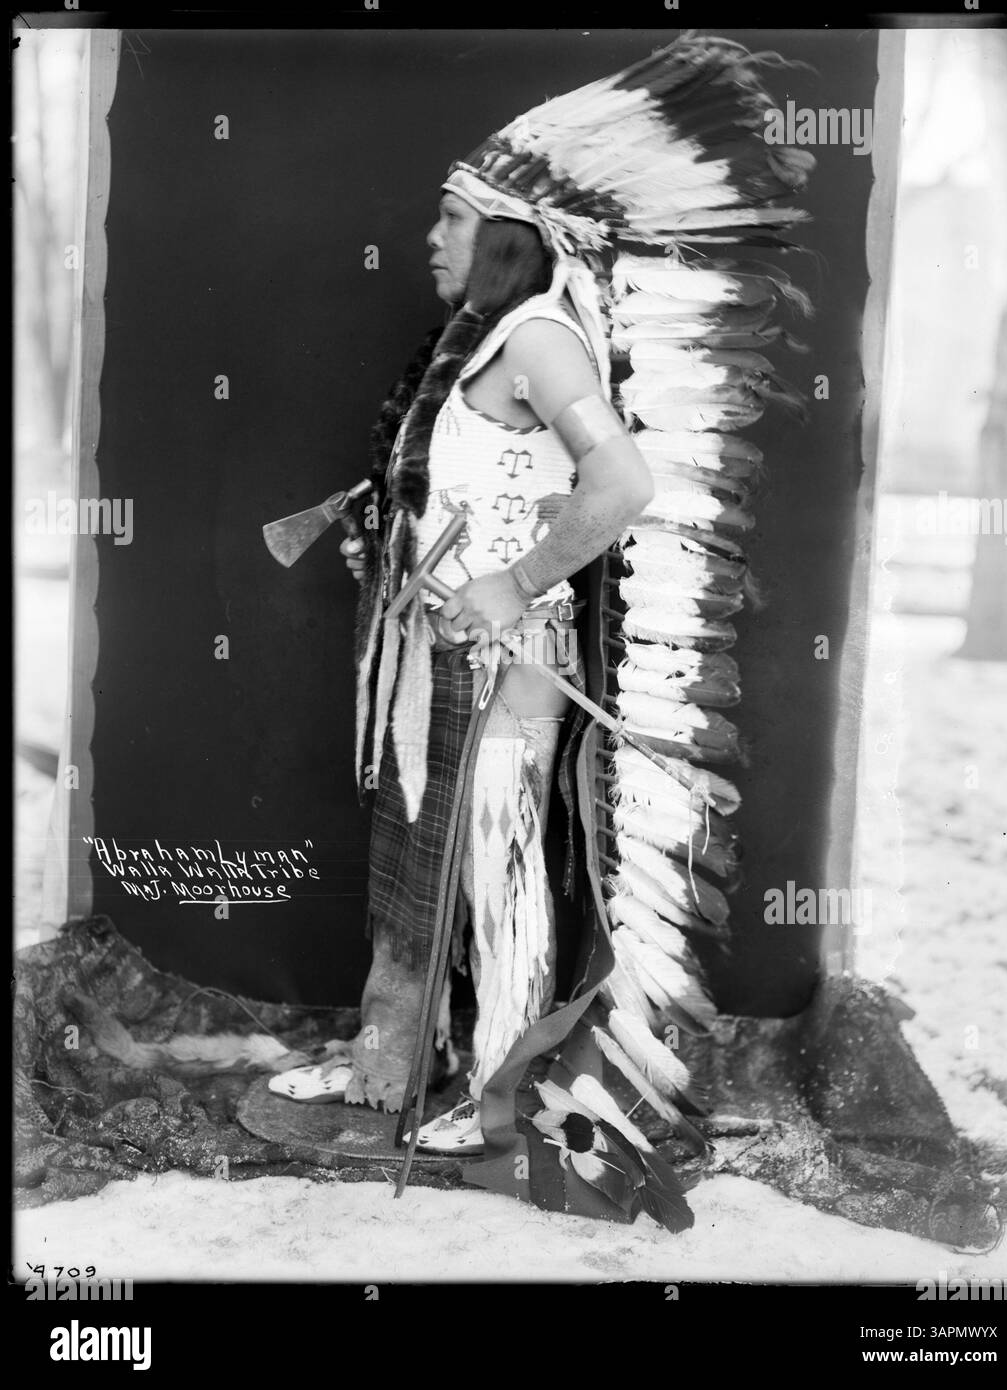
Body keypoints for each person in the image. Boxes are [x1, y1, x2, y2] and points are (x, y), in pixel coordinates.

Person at [270, 32, 812, 1230]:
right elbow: (468, 480)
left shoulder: (545, 338)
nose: (432, 238)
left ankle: (502, 1093)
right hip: (431, 657)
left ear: (509, 236)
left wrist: (514, 584)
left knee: (499, 869)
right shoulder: (479, 342)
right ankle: (396, 1065)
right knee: (427, 862)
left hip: (507, 668)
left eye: (453, 221)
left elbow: (619, 483)